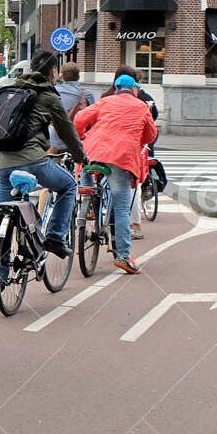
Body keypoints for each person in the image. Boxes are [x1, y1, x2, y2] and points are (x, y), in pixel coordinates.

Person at [0, 51, 85, 305]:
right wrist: (81, 155)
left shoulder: (11, 89)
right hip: (33, 161)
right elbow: (67, 131)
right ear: (52, 72)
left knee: (4, 217)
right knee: (69, 186)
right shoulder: (50, 96)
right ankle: (55, 236)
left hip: (3, 163)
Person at [74, 74, 157, 275]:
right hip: (121, 157)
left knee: (86, 173)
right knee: (121, 206)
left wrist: (84, 136)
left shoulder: (105, 101)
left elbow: (79, 119)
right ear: (134, 90)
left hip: (94, 151)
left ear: (116, 88)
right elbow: (151, 135)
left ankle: (87, 203)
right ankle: (123, 256)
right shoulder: (141, 106)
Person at [103, 65, 157, 240]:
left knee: (97, 183)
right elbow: (151, 132)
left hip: (102, 150)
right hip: (128, 152)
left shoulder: (105, 97)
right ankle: (131, 232)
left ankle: (93, 213)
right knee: (130, 189)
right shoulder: (141, 100)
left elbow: (85, 121)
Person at [49, 62, 93, 157]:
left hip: (55, 140)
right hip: (77, 139)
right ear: (78, 76)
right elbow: (92, 119)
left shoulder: (53, 91)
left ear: (62, 76)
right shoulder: (87, 94)